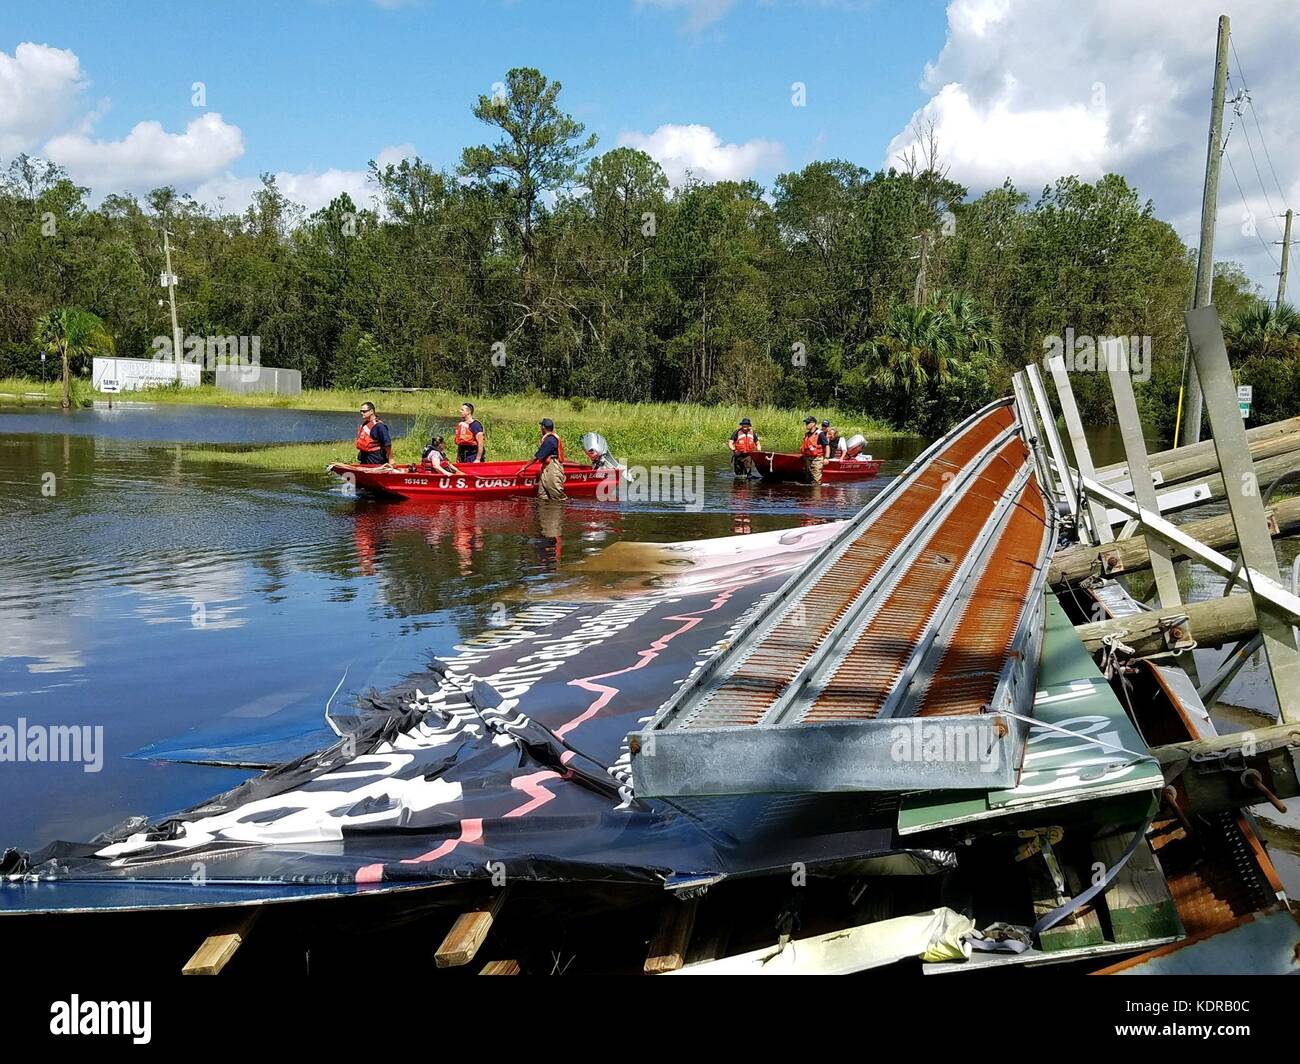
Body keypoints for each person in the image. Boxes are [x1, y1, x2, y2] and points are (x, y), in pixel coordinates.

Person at [532, 418, 567, 500]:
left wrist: (524, 467)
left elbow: (537, 456)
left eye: (541, 426)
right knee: (542, 495)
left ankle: (559, 511)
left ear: (543, 427)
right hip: (546, 468)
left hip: (553, 468)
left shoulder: (550, 440)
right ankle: (544, 512)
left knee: (556, 496)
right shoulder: (549, 439)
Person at [355, 401, 393, 466]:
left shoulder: (379, 426)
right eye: (361, 411)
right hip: (365, 458)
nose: (362, 413)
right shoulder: (365, 424)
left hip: (376, 460)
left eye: (364, 411)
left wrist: (391, 459)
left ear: (371, 411)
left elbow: (388, 444)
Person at [800, 416, 827, 484]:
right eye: (806, 423)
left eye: (808, 423)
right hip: (807, 458)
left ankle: (816, 493)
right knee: (807, 479)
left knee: (816, 480)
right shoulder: (807, 434)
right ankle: (808, 494)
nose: (806, 424)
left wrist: (826, 458)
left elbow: (827, 446)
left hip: (817, 459)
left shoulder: (820, 434)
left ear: (813, 423)